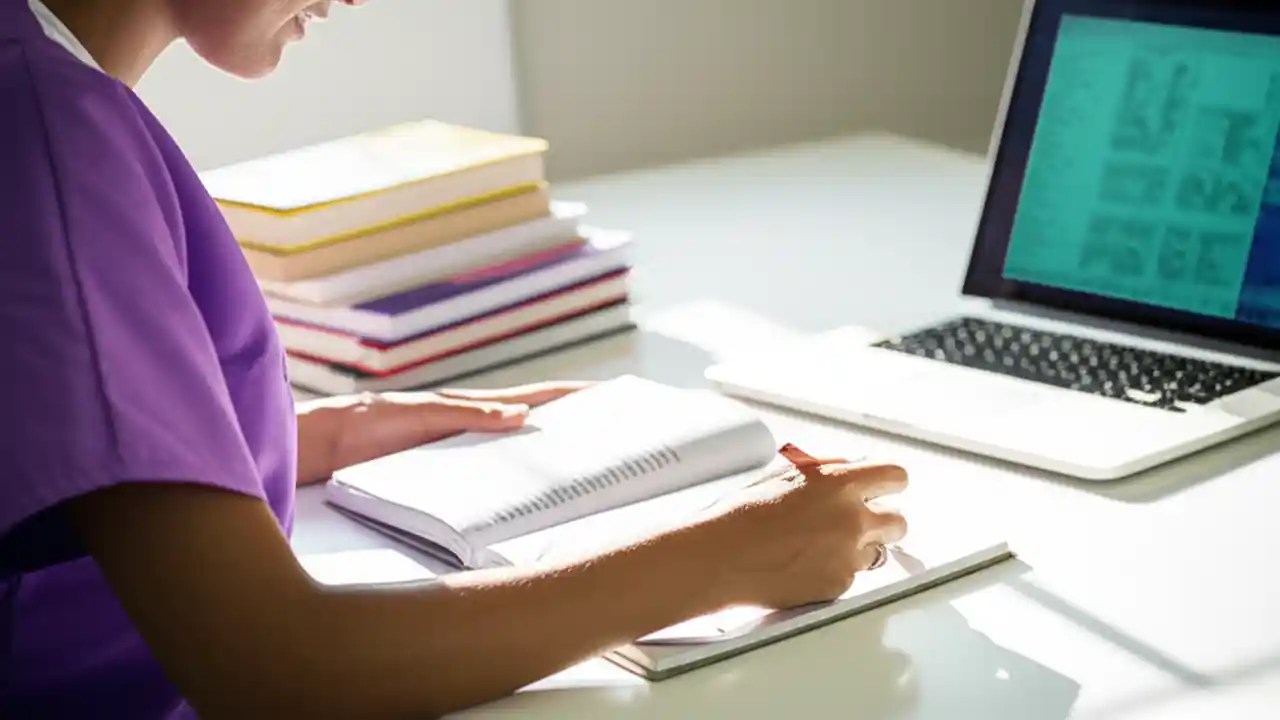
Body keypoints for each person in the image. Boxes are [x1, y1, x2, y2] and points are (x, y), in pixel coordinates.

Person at [0, 0, 909, 717]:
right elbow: (277, 667)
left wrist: (297, 431)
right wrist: (728, 557)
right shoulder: (51, 135)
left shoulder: (37, 83)